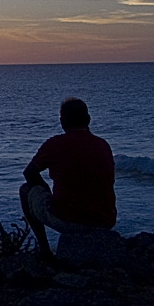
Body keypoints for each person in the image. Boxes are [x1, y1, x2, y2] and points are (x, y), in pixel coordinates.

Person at [19, 97, 116, 262]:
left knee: (25, 190)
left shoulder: (55, 144)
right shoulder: (103, 145)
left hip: (69, 219)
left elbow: (29, 173)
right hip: (105, 220)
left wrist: (45, 189)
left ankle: (44, 250)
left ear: (62, 121)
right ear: (88, 119)